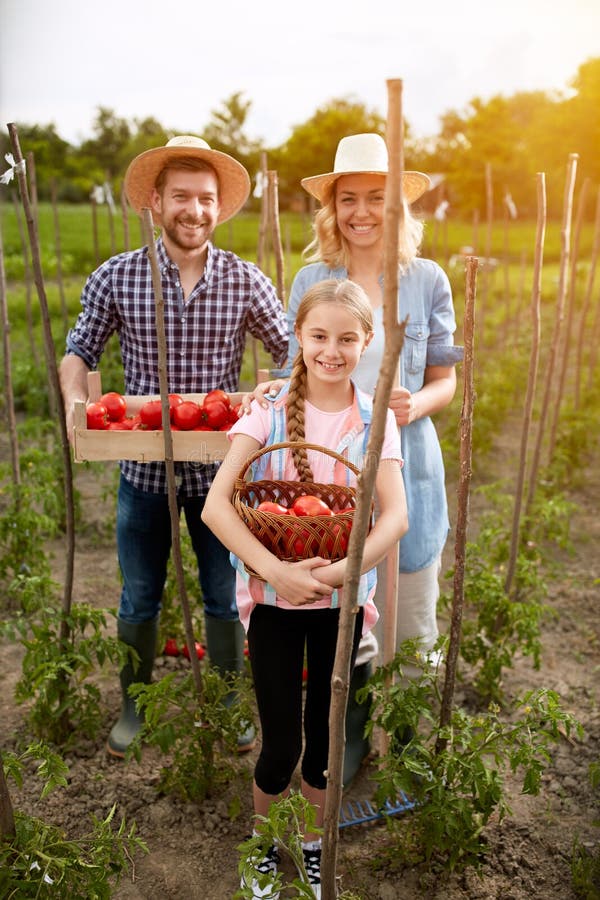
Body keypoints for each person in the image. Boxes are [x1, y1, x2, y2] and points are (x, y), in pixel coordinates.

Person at [59, 135, 288, 758]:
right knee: (140, 594)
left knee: (224, 594)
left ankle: (227, 704)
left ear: (219, 207)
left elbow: (289, 352)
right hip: (143, 472)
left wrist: (274, 393)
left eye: (206, 198)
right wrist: (76, 403)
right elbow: (79, 351)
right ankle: (134, 705)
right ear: (156, 202)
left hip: (221, 477)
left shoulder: (245, 280)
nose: (195, 210)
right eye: (181, 196)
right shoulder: (118, 276)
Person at [250, 133, 463, 784]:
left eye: (377, 197)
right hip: (324, 478)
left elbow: (447, 380)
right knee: (344, 619)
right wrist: (270, 390)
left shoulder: (426, 280)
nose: (362, 211)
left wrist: (413, 405)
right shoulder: (312, 279)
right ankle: (352, 734)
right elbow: (296, 370)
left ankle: (408, 742)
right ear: (332, 207)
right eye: (349, 199)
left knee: (411, 622)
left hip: (406, 467)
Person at [202, 278, 407, 898]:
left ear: (366, 342)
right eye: (319, 336)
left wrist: (341, 574)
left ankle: (314, 844)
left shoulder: (373, 420)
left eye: (346, 339)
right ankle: (263, 844)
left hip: (341, 607)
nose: (331, 351)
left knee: (324, 740)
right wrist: (278, 572)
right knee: (281, 743)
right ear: (298, 336)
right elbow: (217, 507)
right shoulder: (266, 412)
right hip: (273, 603)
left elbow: (395, 517)